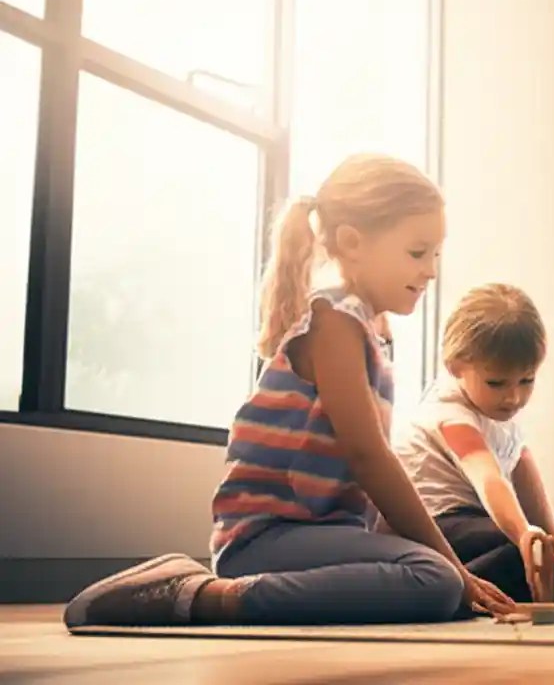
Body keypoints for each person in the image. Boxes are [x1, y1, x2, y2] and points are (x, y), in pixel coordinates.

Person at [64, 154, 515, 628]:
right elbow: (370, 457)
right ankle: (202, 597)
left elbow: (366, 483)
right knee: (437, 579)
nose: (431, 271)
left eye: (437, 255)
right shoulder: (335, 324)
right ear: (351, 243)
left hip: (323, 534)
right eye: (418, 253)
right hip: (266, 538)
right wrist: (456, 571)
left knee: (436, 577)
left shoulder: (375, 331)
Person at [393, 283, 554, 601]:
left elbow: (522, 469)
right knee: (513, 553)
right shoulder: (452, 415)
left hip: (475, 523)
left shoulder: (498, 414)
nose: (514, 397)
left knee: (550, 561)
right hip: (439, 525)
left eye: (527, 380)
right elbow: (489, 478)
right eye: (496, 383)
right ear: (456, 365)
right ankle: (442, 589)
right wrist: (524, 535)